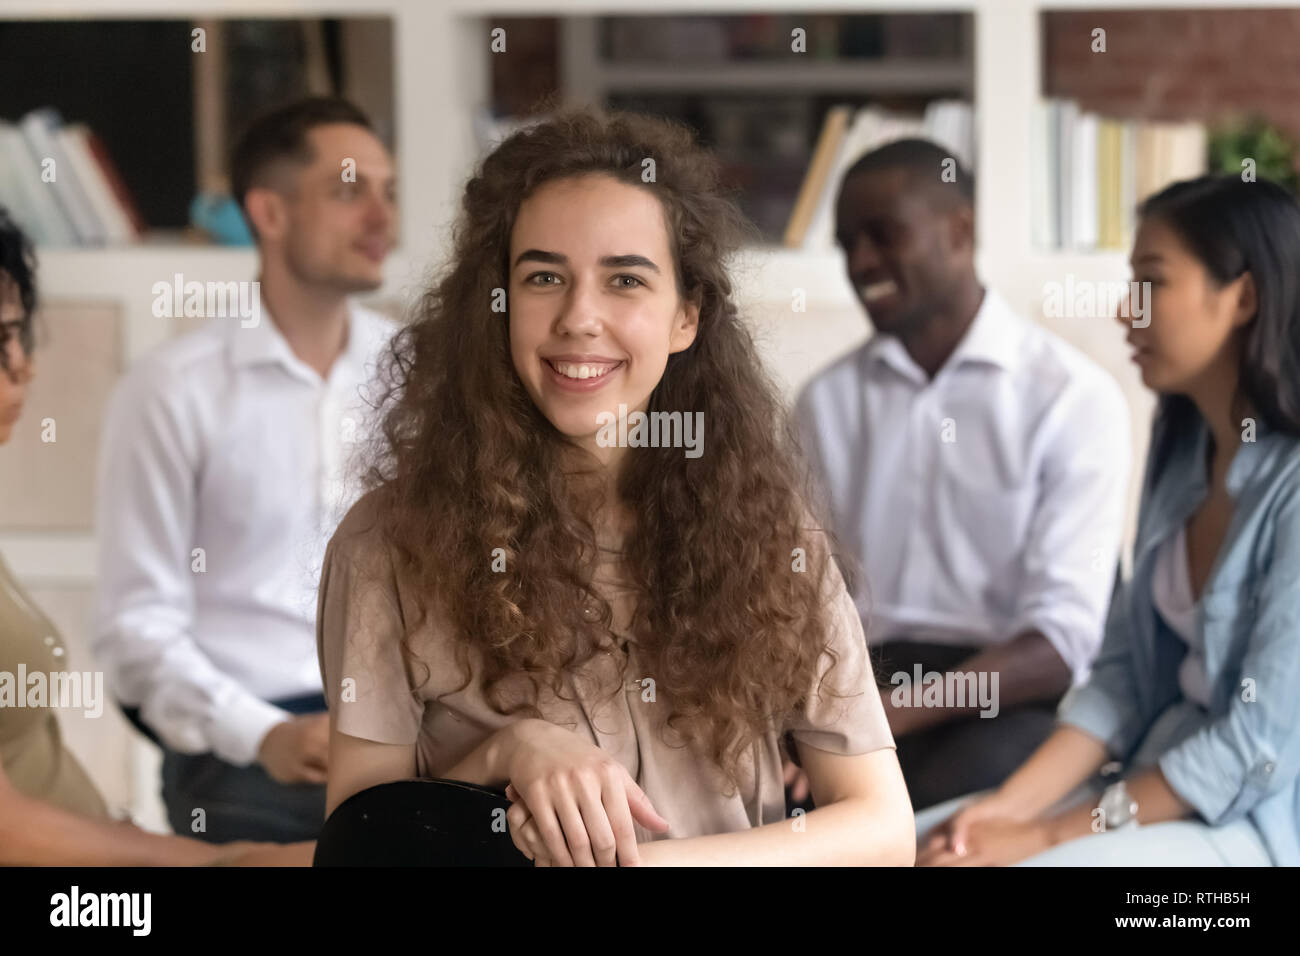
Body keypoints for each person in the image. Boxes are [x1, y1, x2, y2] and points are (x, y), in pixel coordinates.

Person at [317, 106, 914, 867]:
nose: (579, 318)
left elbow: (882, 829)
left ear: (686, 316)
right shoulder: (387, 546)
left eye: (625, 279)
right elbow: (361, 849)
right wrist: (509, 755)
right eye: (543, 277)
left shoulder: (770, 530)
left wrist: (651, 869)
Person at [916, 174, 1300, 867]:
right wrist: (1005, 809)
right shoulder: (1183, 446)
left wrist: (1044, 836)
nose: (1126, 312)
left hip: (1248, 819)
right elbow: (1120, 677)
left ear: (1242, 296)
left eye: (1152, 283)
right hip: (1142, 786)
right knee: (912, 847)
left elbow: (1255, 747)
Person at [791, 138, 1132, 813]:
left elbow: (1059, 647)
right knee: (768, 810)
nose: (861, 263)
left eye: (884, 236)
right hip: (859, 682)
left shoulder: (1070, 398)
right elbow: (797, 594)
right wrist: (819, 723)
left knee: (936, 819)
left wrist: (882, 722)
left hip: (1002, 696)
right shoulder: (823, 401)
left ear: (962, 231)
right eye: (847, 243)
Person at [92, 97, 398, 844]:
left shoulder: (414, 374)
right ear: (269, 211)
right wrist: (260, 734)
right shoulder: (173, 388)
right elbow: (136, 625)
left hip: (399, 725)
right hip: (241, 744)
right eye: (350, 190)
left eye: (390, 192)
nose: (382, 218)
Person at [0, 206, 311, 864]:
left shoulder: (396, 364)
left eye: (19, 335)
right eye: (0, 341)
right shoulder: (178, 385)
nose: (24, 367)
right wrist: (232, 859)